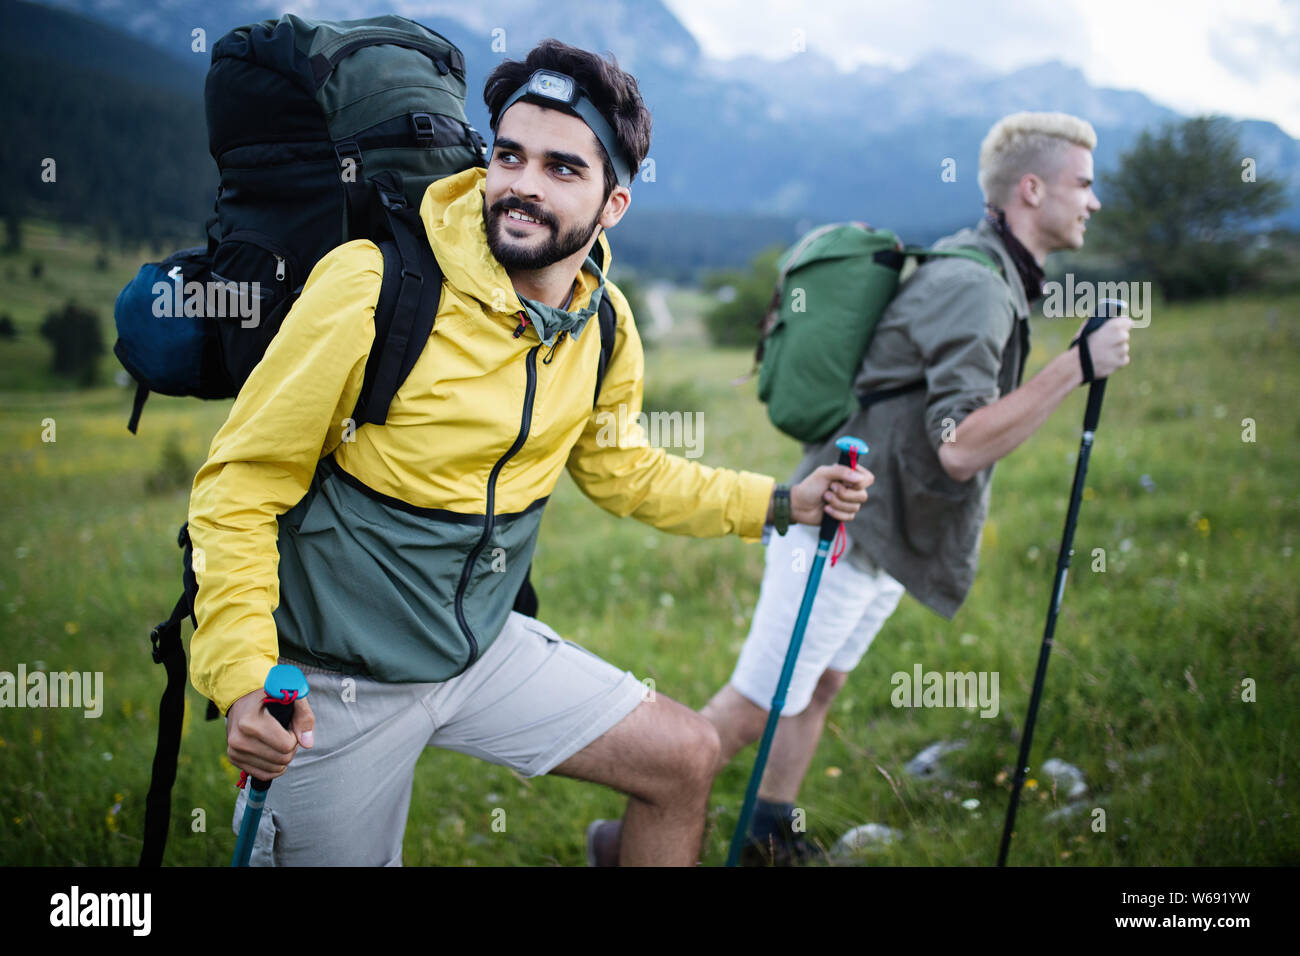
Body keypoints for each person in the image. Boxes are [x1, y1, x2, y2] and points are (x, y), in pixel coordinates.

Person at [187, 38, 871, 867]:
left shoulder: (605, 322)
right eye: (508, 155)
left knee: (684, 757)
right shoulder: (372, 285)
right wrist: (244, 680)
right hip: (337, 683)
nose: (522, 186)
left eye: (561, 168)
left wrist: (779, 503)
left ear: (613, 203)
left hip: (480, 649)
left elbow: (624, 470)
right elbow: (241, 484)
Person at [586, 111, 1134, 866]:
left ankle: (765, 836)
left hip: (881, 530)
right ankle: (624, 845)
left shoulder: (996, 275)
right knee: (754, 702)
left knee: (819, 688)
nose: (1093, 201)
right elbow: (962, 448)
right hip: (842, 522)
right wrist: (1076, 366)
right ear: (1032, 190)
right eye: (1084, 184)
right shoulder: (976, 286)